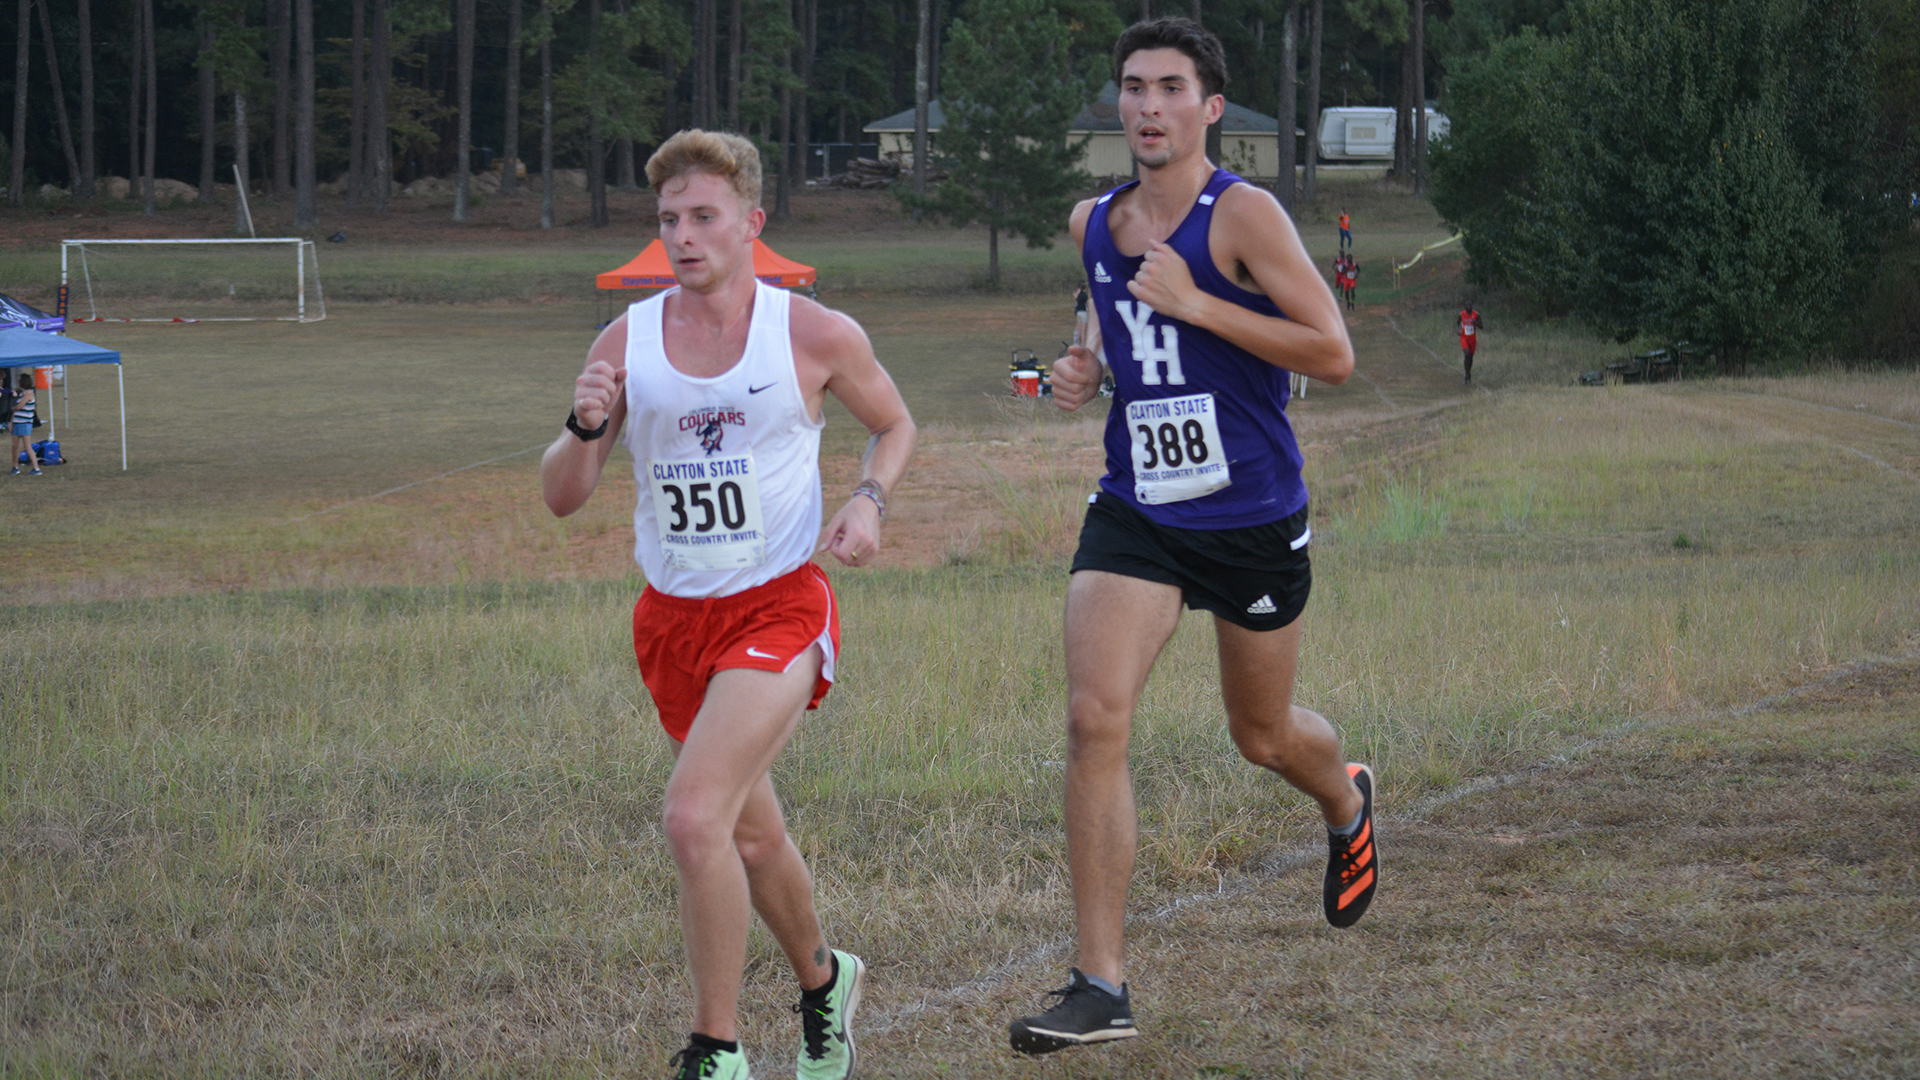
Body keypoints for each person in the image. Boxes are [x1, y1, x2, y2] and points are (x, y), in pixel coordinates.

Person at [1008, 17, 1377, 1056]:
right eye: (1134, 86)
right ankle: (1100, 986)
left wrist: (1200, 306)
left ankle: (1346, 801)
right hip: (1138, 509)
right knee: (1093, 719)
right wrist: (1083, 367)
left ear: (1210, 108)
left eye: (1171, 87)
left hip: (1251, 514)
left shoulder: (1242, 215)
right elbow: (1102, 317)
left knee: (1262, 737)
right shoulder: (1095, 220)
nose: (1149, 105)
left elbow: (1332, 353)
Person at [541, 129, 917, 1080]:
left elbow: (894, 423)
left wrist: (868, 501)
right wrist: (583, 425)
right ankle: (826, 982)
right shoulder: (625, 342)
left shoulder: (813, 333)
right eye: (669, 219)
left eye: (703, 217)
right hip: (672, 622)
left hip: (777, 607)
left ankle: (716, 1050)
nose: (682, 236)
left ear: (752, 222)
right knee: (749, 830)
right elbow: (562, 495)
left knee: (693, 816)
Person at [10, 374, 41, 476]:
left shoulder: (29, 393)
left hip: (25, 423)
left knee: (27, 446)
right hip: (17, 422)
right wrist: (11, 423)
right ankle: (15, 467)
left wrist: (13, 408)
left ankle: (36, 469)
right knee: (14, 446)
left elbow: (19, 407)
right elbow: (16, 411)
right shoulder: (21, 394)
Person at [1458, 302, 1483, 383]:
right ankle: (1466, 374)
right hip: (1464, 338)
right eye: (1467, 305)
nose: (1469, 307)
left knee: (1471, 357)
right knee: (1467, 354)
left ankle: (1468, 373)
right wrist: (1457, 330)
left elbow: (1481, 326)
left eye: (1470, 305)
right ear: (1465, 307)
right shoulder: (1462, 314)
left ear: (1472, 306)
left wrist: (1475, 323)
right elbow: (1457, 323)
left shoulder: (1476, 315)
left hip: (1472, 339)